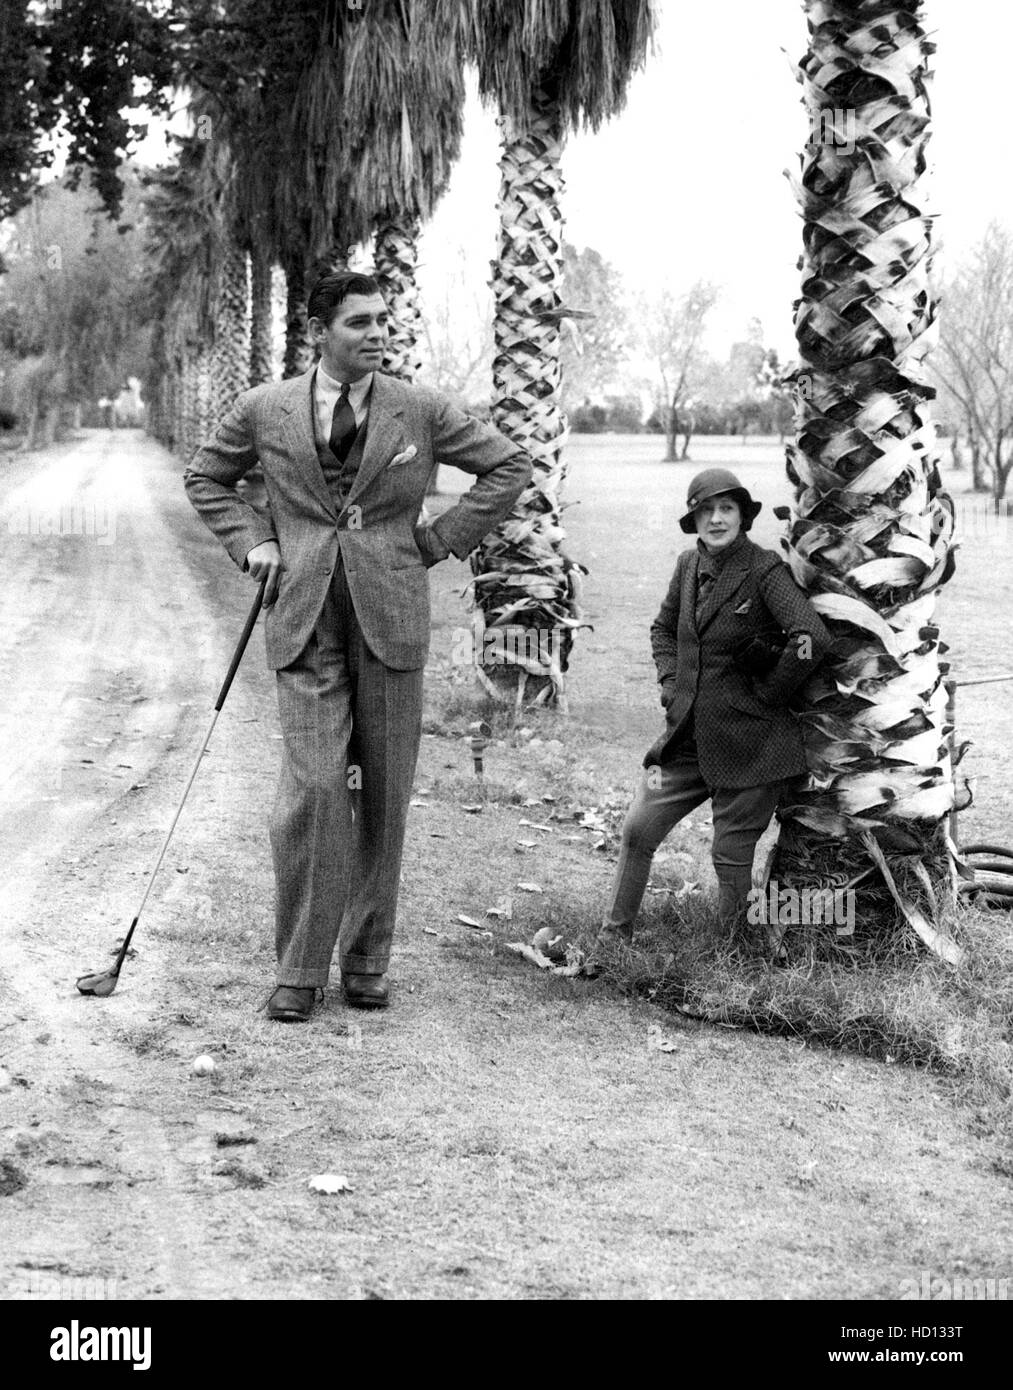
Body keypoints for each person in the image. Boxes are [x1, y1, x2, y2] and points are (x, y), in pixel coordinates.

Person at [184, 271, 532, 1021]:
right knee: (312, 792)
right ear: (319, 330)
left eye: (383, 321)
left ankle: (367, 959)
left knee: (381, 793)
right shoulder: (264, 409)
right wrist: (254, 544)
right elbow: (207, 477)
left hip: (390, 619)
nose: (378, 334)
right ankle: (302, 968)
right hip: (304, 618)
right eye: (359, 323)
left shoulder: (420, 409)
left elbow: (508, 466)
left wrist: (440, 540)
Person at [597, 468, 830, 951]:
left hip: (752, 747)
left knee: (730, 856)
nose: (716, 519)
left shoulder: (764, 569)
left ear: (743, 516)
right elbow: (662, 630)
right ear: (694, 518)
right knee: (637, 830)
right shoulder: (687, 566)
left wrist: (770, 695)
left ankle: (733, 957)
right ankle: (613, 939)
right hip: (685, 742)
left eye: (726, 509)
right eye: (706, 510)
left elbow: (812, 638)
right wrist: (670, 684)